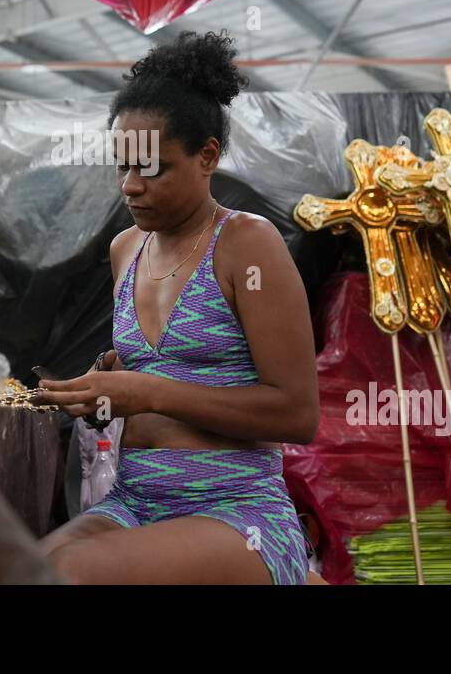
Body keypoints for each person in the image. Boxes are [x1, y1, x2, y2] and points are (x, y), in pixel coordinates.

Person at [35, 30, 322, 584]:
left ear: (207, 156)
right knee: (22, 569)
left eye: (152, 168)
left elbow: (297, 414)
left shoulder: (246, 244)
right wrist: (103, 393)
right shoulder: (126, 249)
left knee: (72, 573)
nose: (130, 186)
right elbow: (142, 383)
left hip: (237, 512)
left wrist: (149, 392)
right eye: (122, 166)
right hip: (136, 501)